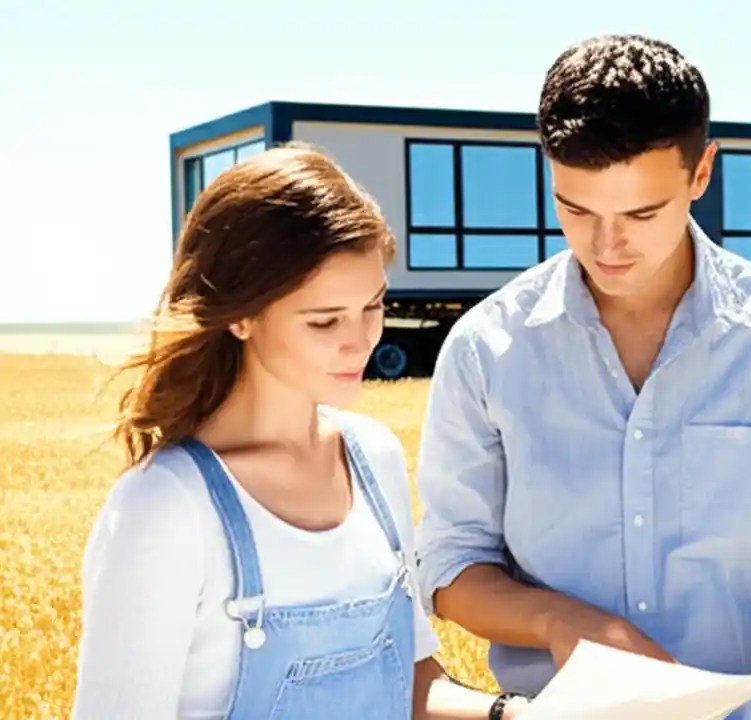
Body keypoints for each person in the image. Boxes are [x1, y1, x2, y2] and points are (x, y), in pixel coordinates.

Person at [414, 34, 751, 719]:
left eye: (641, 213)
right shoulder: (485, 349)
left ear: (700, 176)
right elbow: (452, 564)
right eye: (576, 210)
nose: (607, 246)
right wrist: (559, 622)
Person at [72, 144, 528, 719]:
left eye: (372, 306)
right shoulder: (164, 507)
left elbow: (406, 680)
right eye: (324, 320)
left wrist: (513, 715)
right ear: (240, 315)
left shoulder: (374, 457)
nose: (361, 340)